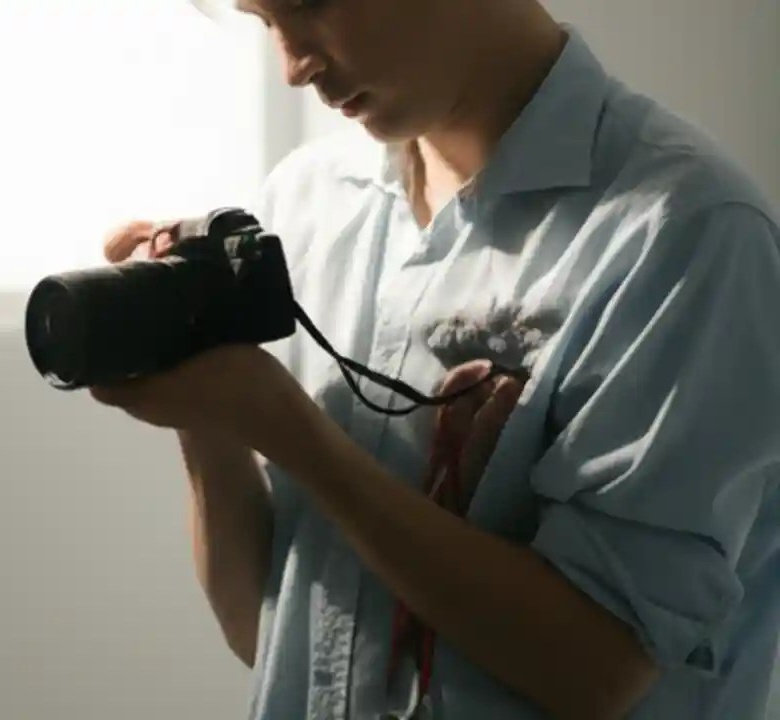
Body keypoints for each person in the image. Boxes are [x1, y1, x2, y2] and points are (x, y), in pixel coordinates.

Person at [90, 0, 780, 718]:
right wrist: (207, 418)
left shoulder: (686, 234)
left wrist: (292, 432)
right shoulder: (309, 203)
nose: (293, 66)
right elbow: (268, 638)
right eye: (262, 18)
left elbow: (597, 672)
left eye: (308, 4)